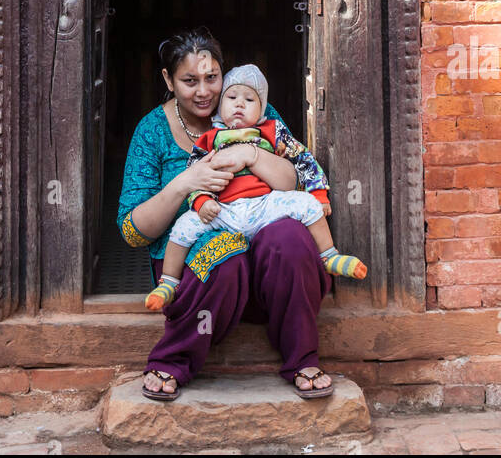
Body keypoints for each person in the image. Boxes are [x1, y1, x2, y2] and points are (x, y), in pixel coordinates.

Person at [117, 28, 343, 403]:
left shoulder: (253, 108)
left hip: (264, 282)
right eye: (189, 81)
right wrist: (186, 183)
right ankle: (174, 359)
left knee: (290, 236)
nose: (204, 91)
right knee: (224, 249)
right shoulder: (151, 132)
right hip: (197, 283)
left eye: (212, 78)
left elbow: (296, 183)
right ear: (168, 81)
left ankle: (302, 357)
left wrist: (253, 156)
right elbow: (132, 231)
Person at [144, 64, 366, 311]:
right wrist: (201, 201)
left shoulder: (272, 131)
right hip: (223, 211)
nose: (239, 104)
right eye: (231, 97)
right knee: (183, 227)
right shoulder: (210, 139)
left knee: (308, 205)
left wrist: (318, 193)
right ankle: (169, 283)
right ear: (220, 105)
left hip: (265, 205)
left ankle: (329, 256)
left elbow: (302, 158)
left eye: (249, 99)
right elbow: (195, 175)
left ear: (262, 109)